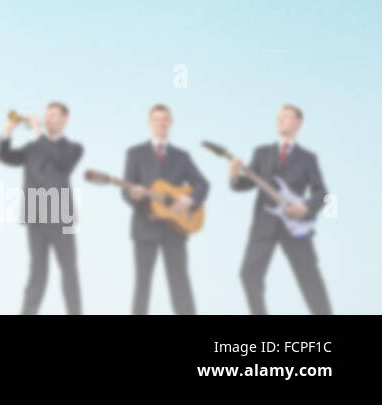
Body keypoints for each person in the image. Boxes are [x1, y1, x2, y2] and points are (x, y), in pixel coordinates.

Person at [229, 104, 332, 314]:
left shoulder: (307, 158)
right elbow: (244, 185)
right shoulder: (262, 153)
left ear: (298, 123)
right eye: (279, 117)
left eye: (286, 116)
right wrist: (233, 175)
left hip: (296, 226)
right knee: (249, 274)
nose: (281, 120)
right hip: (264, 224)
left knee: (309, 278)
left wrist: (305, 207)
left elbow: (322, 193)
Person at [122, 103, 209, 314]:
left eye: (165, 119)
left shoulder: (182, 156)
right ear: (149, 123)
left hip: (175, 229)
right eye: (156, 119)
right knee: (142, 284)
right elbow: (125, 189)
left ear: (170, 123)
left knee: (180, 282)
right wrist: (134, 195)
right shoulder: (135, 153)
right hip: (145, 227)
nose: (161, 123)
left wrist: (188, 201)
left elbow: (202, 184)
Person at [0, 102, 83, 314]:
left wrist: (38, 133)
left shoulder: (73, 148)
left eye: (54, 115)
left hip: (61, 217)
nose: (48, 119)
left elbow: (61, 162)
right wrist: (6, 133)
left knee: (69, 271)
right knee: (37, 274)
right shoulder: (32, 148)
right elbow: (6, 157)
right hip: (35, 217)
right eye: (47, 115)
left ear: (65, 119)